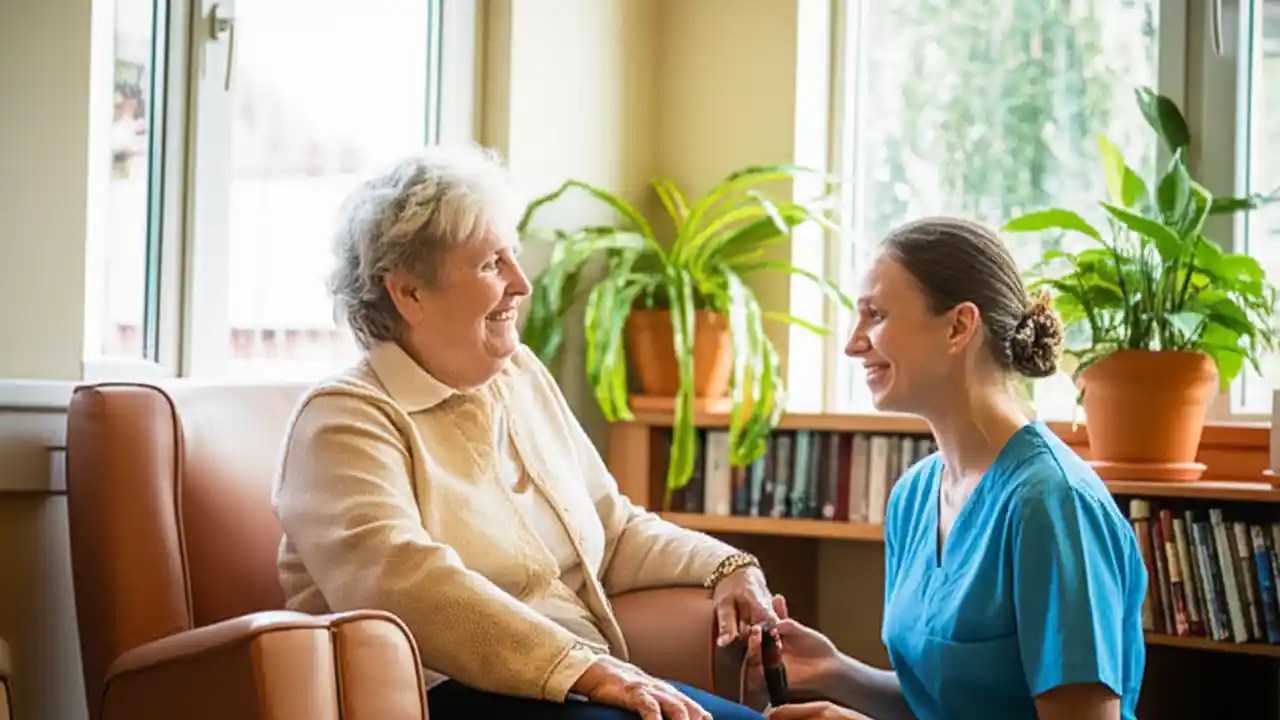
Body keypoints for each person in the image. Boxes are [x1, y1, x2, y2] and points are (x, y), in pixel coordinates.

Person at [272, 143, 773, 720]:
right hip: (449, 695)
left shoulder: (519, 376)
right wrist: (585, 668)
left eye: (512, 256)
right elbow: (405, 585)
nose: (521, 283)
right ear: (408, 292)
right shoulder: (344, 420)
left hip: (573, 682)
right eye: (491, 265)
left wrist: (729, 565)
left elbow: (610, 530)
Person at [742, 217, 1148, 720]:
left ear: (959, 326)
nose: (852, 343)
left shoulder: (1053, 506)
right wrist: (835, 672)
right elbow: (943, 706)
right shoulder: (913, 496)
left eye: (875, 315)